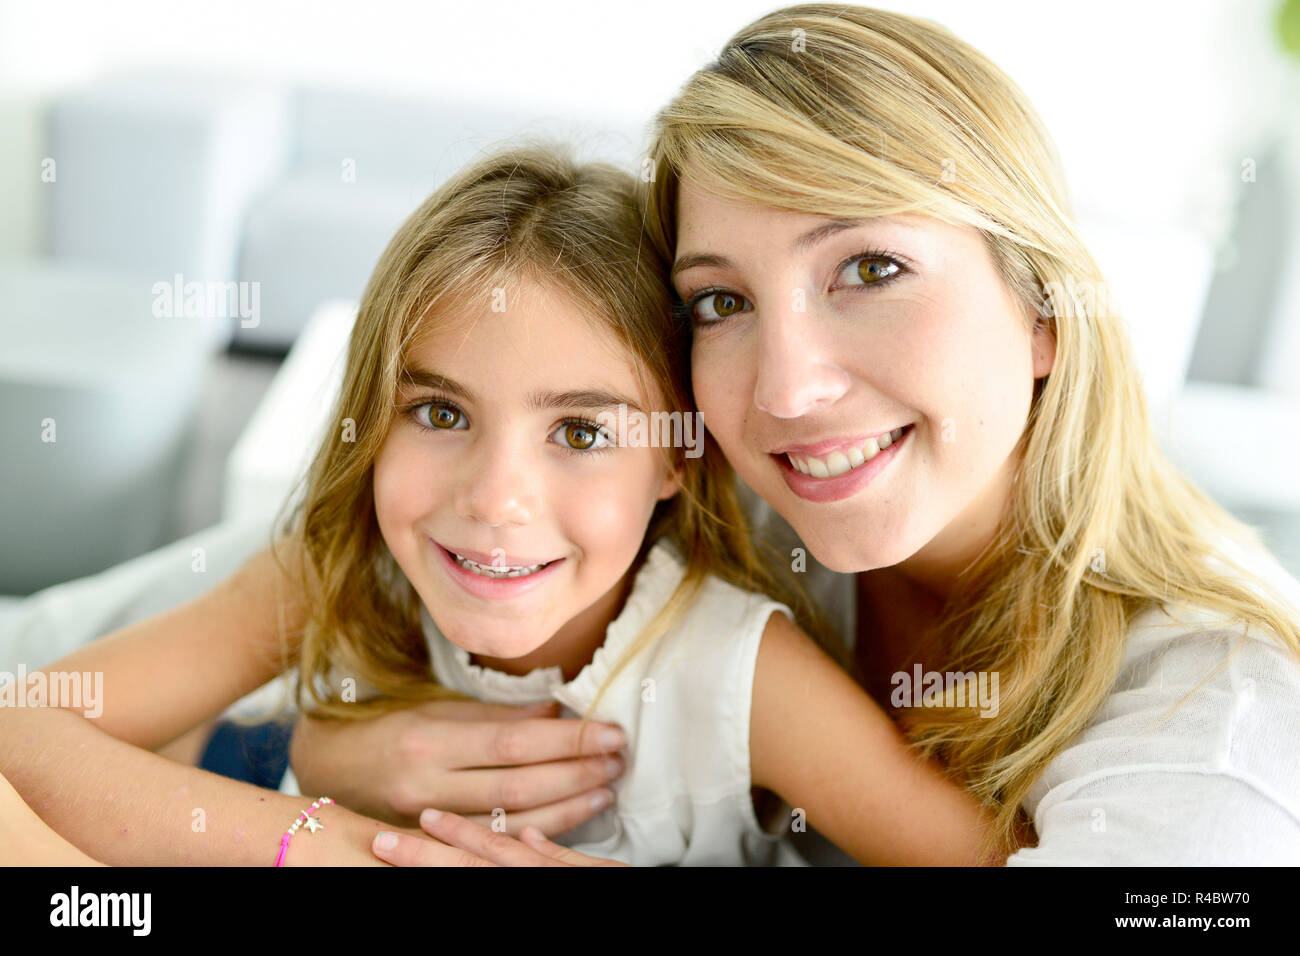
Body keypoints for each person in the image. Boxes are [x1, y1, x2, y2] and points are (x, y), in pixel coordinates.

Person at [312, 4, 1300, 866]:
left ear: (1042, 306)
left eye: (868, 269)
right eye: (720, 300)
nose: (785, 391)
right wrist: (322, 750)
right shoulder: (706, 487)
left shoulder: (1225, 720)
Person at [0, 143, 1014, 866]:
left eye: (580, 432)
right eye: (440, 411)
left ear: (677, 456)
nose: (493, 497)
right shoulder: (343, 569)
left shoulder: (734, 671)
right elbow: (24, 725)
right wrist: (329, 841)